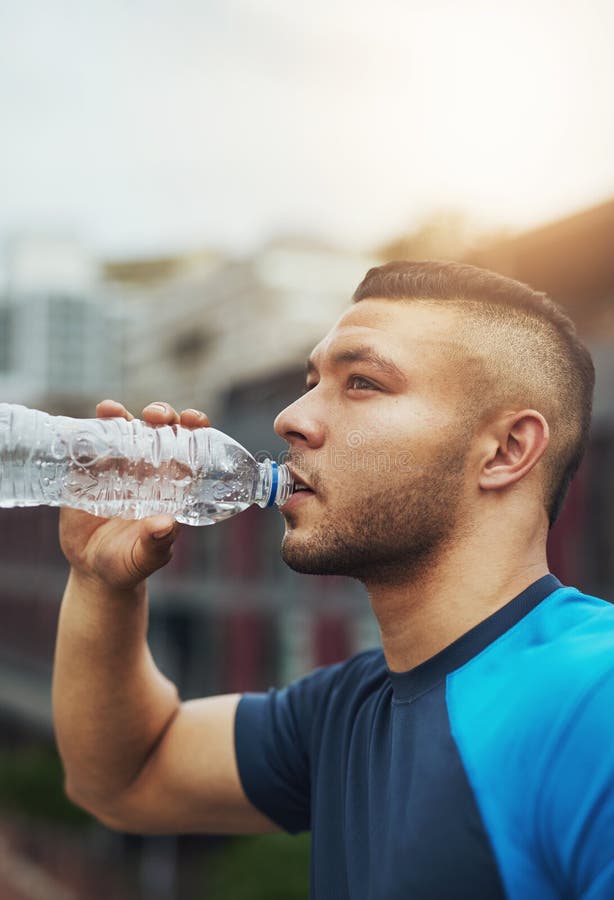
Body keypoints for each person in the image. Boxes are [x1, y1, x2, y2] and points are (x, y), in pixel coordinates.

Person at [53, 260, 614, 899]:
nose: (290, 418)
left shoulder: (593, 702)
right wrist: (101, 583)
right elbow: (124, 777)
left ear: (507, 450)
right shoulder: (345, 709)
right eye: (312, 380)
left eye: (363, 383)